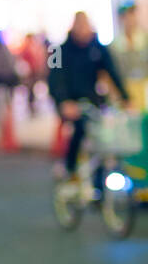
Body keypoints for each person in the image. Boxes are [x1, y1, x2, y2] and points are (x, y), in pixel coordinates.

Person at [48, 11, 130, 179]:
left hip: (93, 99)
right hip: (70, 101)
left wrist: (126, 98)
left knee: (106, 135)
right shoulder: (57, 50)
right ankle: (70, 168)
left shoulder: (98, 48)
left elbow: (113, 72)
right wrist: (63, 102)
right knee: (80, 128)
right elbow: (54, 79)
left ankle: (101, 178)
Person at [110, 3, 148, 112]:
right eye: (126, 16)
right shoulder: (115, 45)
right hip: (127, 92)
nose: (130, 19)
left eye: (132, 15)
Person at [0, 29, 20, 125]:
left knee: (4, 99)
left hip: (3, 77)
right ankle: (4, 118)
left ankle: (6, 118)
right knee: (3, 99)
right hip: (3, 77)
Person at [17, 32, 47, 114]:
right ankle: (31, 106)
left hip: (34, 72)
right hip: (29, 73)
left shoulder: (34, 47)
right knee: (30, 90)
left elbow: (39, 59)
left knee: (33, 90)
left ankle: (33, 106)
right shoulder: (27, 48)